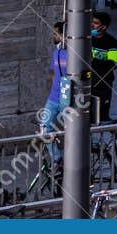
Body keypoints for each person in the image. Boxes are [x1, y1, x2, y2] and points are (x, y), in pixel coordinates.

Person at [41, 22, 68, 163]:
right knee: (44, 129)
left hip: (69, 99)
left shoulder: (74, 53)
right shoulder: (57, 51)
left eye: (56, 33)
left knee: (74, 133)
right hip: (53, 98)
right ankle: (57, 160)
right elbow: (52, 72)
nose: (53, 36)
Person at [88, 11, 117, 123]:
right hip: (88, 80)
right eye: (92, 22)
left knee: (101, 115)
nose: (92, 25)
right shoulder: (87, 39)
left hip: (103, 82)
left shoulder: (112, 42)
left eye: (96, 23)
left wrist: (94, 59)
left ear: (103, 27)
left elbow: (113, 63)